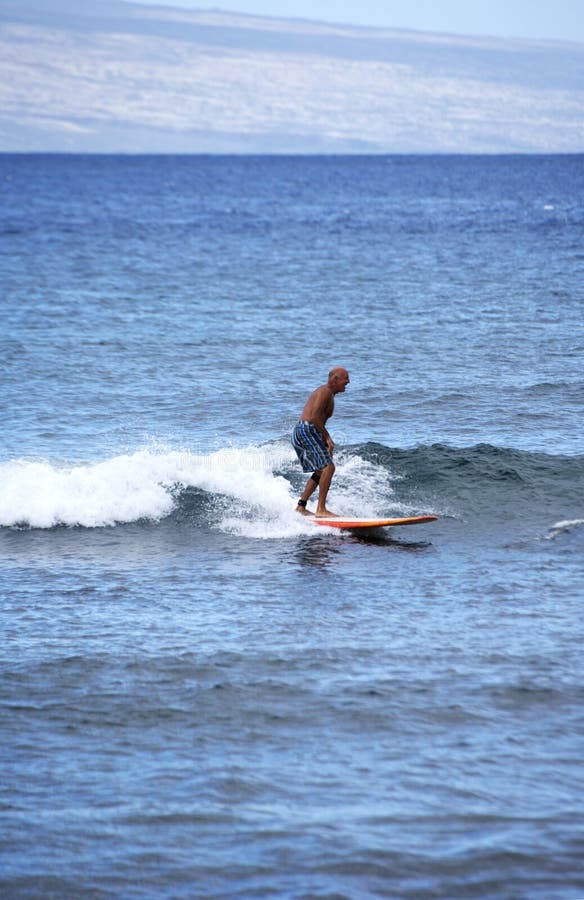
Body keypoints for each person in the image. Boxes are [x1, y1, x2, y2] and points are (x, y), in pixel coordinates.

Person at [291, 366, 350, 516]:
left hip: (308, 431)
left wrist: (323, 440)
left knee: (321, 470)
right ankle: (321, 509)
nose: (348, 381)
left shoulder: (329, 395)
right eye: (345, 378)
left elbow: (317, 420)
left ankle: (301, 506)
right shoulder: (325, 392)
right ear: (335, 379)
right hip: (306, 429)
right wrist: (328, 438)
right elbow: (314, 418)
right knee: (328, 467)